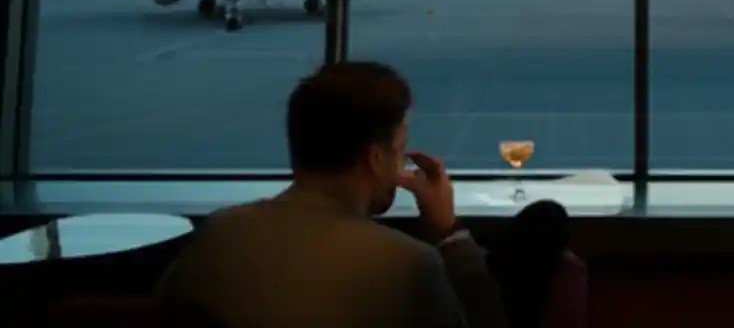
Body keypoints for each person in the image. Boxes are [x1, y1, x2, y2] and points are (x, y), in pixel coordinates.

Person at [154, 61, 568, 328]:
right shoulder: (408, 264)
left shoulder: (219, 234)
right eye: (400, 150)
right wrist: (449, 235)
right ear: (374, 159)